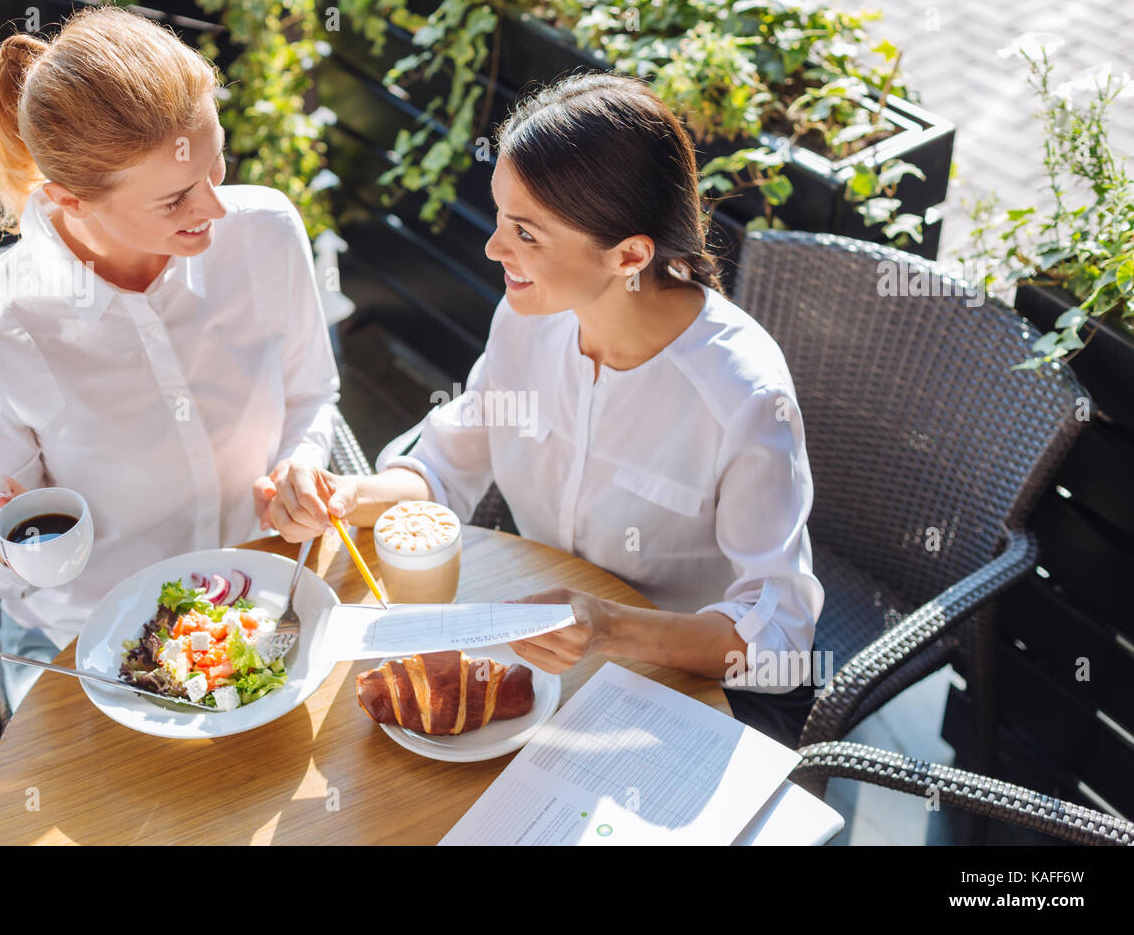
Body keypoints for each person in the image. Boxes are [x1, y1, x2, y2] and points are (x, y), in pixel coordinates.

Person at [263, 72, 826, 748]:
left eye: (525, 233)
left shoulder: (743, 397)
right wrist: (345, 494)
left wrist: (611, 627)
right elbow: (446, 465)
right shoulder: (529, 320)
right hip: (538, 661)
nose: (494, 249)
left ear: (630, 256)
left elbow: (783, 641)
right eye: (501, 218)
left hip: (674, 693)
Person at [0, 5, 340, 710]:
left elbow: (312, 396)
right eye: (177, 197)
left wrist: (302, 464)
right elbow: (16, 571)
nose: (216, 209)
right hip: (88, 644)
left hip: (268, 589)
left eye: (216, 164)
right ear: (70, 199)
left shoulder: (268, 232)